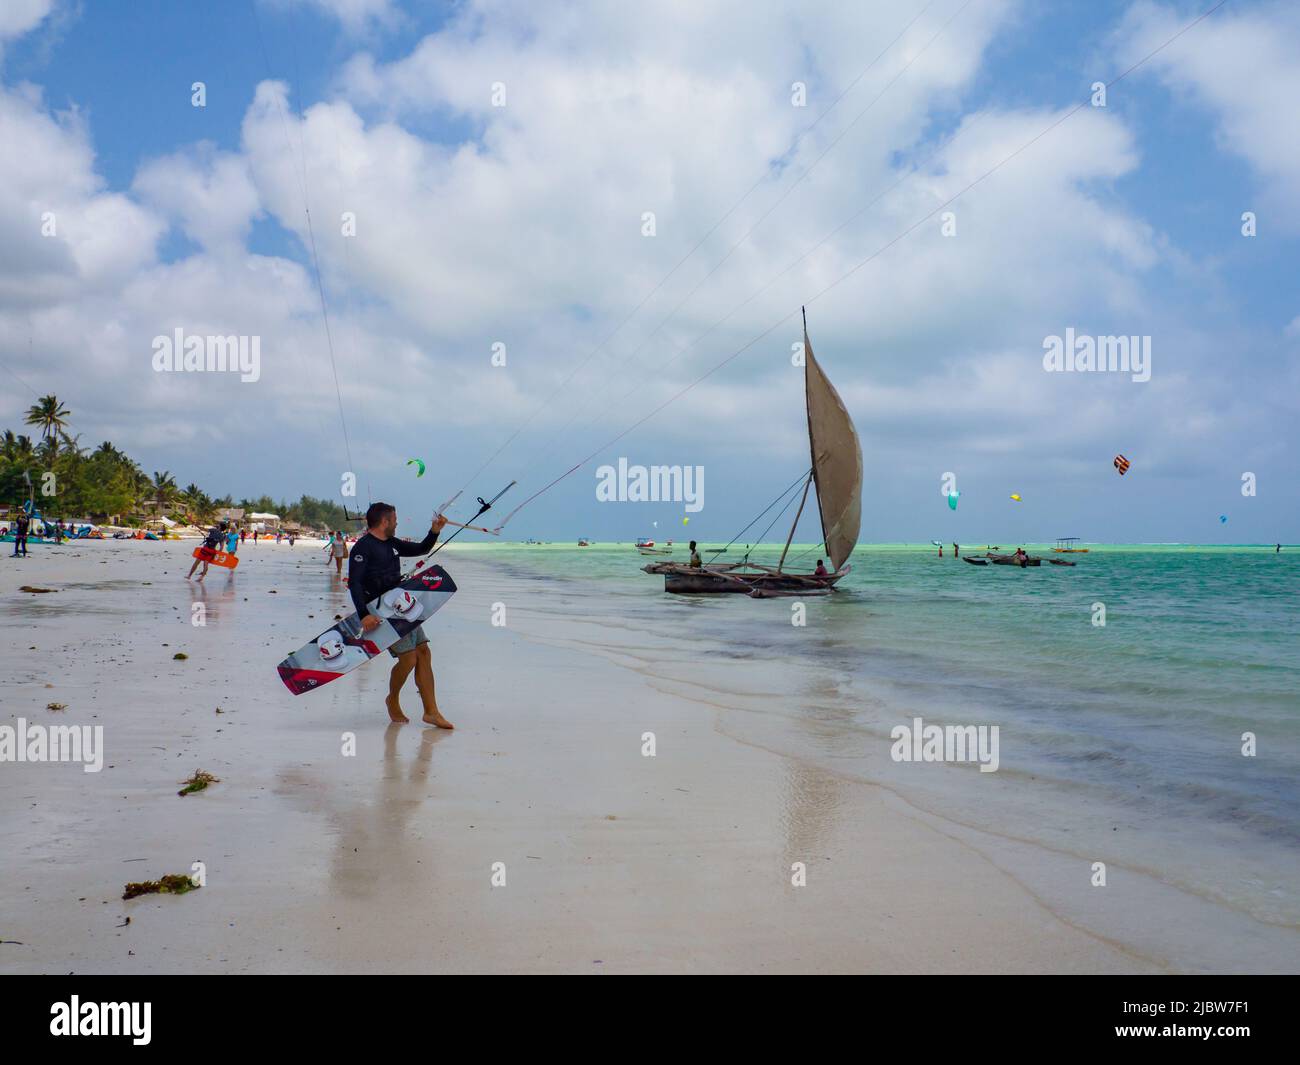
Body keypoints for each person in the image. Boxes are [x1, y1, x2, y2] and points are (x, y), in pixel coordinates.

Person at [349, 503, 449, 727]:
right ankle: (392, 699)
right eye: (394, 519)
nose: (397, 522)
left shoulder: (392, 544)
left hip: (402, 605)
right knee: (409, 657)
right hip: (381, 612)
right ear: (384, 521)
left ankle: (431, 711)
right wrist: (364, 614)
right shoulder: (362, 548)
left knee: (423, 651)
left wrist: (435, 531)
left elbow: (422, 549)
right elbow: (354, 583)